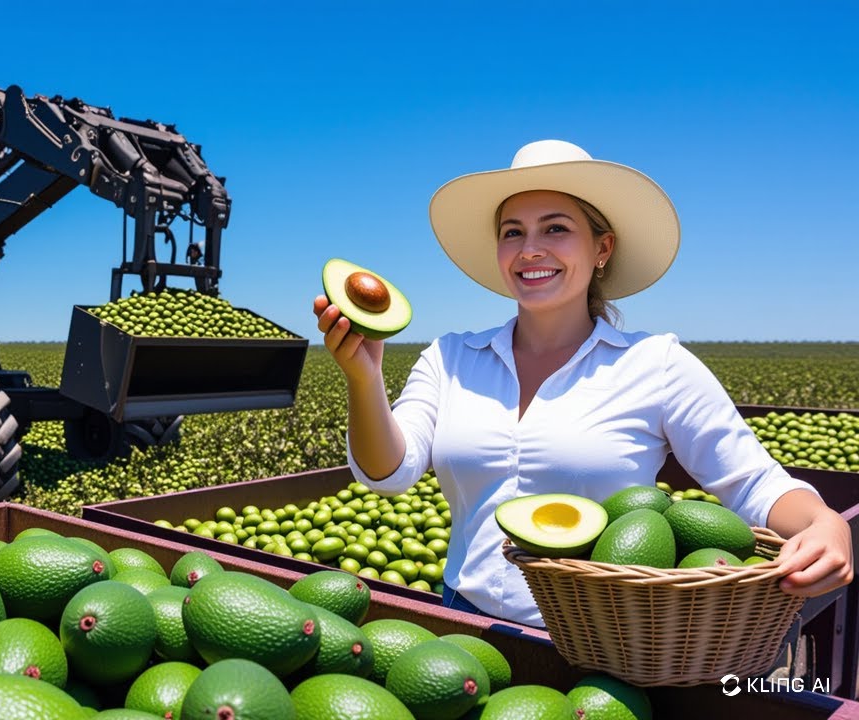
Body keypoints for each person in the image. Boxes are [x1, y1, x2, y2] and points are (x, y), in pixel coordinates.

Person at [313, 139, 853, 627]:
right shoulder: (451, 357)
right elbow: (390, 473)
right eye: (512, 232)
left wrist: (824, 523)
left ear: (602, 249)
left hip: (600, 633)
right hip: (463, 617)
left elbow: (752, 482)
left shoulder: (657, 364)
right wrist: (365, 377)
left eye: (556, 228)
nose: (530, 249)